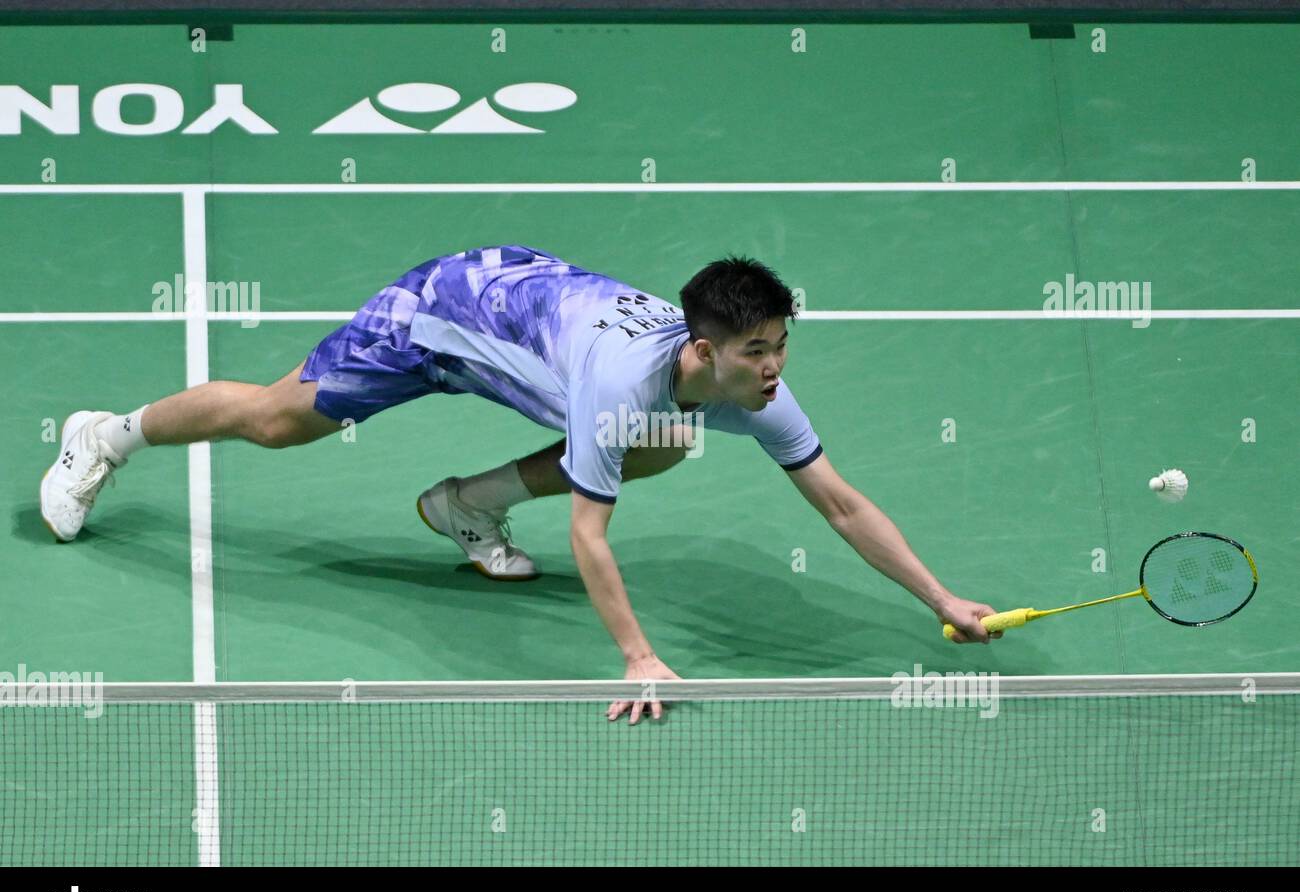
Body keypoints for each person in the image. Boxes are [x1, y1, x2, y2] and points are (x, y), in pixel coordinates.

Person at [40, 245, 1002, 721]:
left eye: (783, 344)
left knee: (662, 444)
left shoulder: (744, 390)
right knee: (273, 421)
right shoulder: (623, 389)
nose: (776, 366)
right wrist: (636, 657)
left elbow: (838, 500)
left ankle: (466, 505)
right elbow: (591, 538)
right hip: (442, 318)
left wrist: (942, 598)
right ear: (706, 349)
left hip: (530, 335)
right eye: (759, 349)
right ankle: (108, 437)